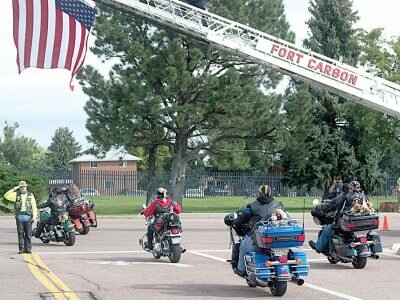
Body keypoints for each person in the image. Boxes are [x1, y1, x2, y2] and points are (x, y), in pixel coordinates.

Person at [232, 184, 285, 277]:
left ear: (259, 193)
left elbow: (241, 219)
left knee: (243, 247)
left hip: (258, 235)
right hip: (278, 235)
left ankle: (241, 269)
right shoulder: (279, 205)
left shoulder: (252, 206)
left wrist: (236, 221)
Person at [309, 180, 361, 253]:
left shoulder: (344, 197)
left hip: (345, 222)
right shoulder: (363, 197)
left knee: (327, 230)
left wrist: (320, 208)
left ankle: (318, 247)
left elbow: (331, 205)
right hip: (359, 222)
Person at [3, 181, 37, 254]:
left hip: (28, 216)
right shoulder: (16, 194)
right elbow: (6, 195)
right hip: (19, 216)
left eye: (24, 186)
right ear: (19, 187)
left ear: (26, 187)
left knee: (28, 233)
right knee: (20, 233)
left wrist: (34, 216)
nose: (23, 188)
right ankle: (21, 249)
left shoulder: (30, 195)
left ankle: (28, 249)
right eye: (21, 186)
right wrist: (14, 188)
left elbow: (34, 206)